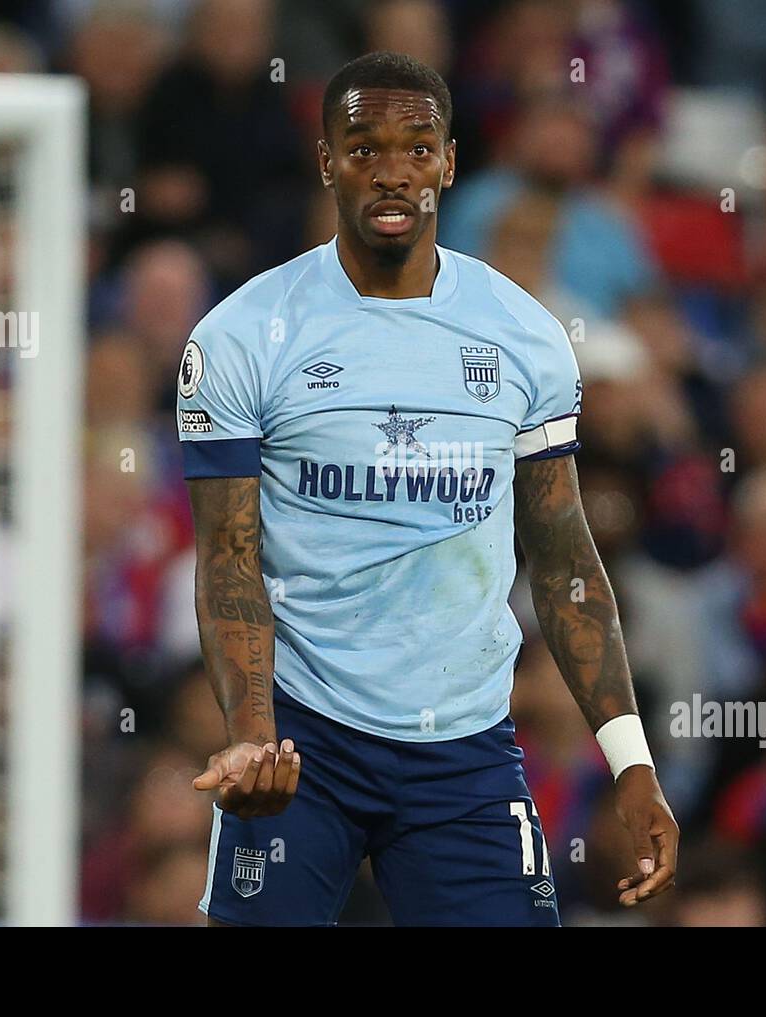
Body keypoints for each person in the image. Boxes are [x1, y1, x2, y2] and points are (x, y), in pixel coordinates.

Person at [176, 51, 678, 926]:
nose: (393, 170)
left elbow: (561, 559)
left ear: (449, 162)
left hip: (464, 749)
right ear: (327, 160)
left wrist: (631, 760)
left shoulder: (525, 337)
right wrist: (252, 730)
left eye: (417, 146)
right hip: (305, 738)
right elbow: (228, 559)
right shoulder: (243, 336)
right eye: (364, 146)